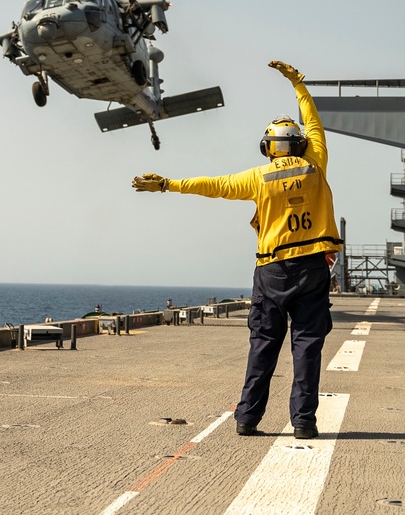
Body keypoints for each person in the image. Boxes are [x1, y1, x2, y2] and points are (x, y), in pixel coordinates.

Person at [132, 60, 342, 439]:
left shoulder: (258, 177)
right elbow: (314, 125)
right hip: (313, 269)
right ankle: (304, 422)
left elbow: (213, 184)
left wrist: (167, 184)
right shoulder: (317, 164)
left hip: (273, 271)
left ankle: (247, 419)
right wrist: (298, 86)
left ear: (268, 147)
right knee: (307, 348)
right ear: (299, 144)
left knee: (263, 345)